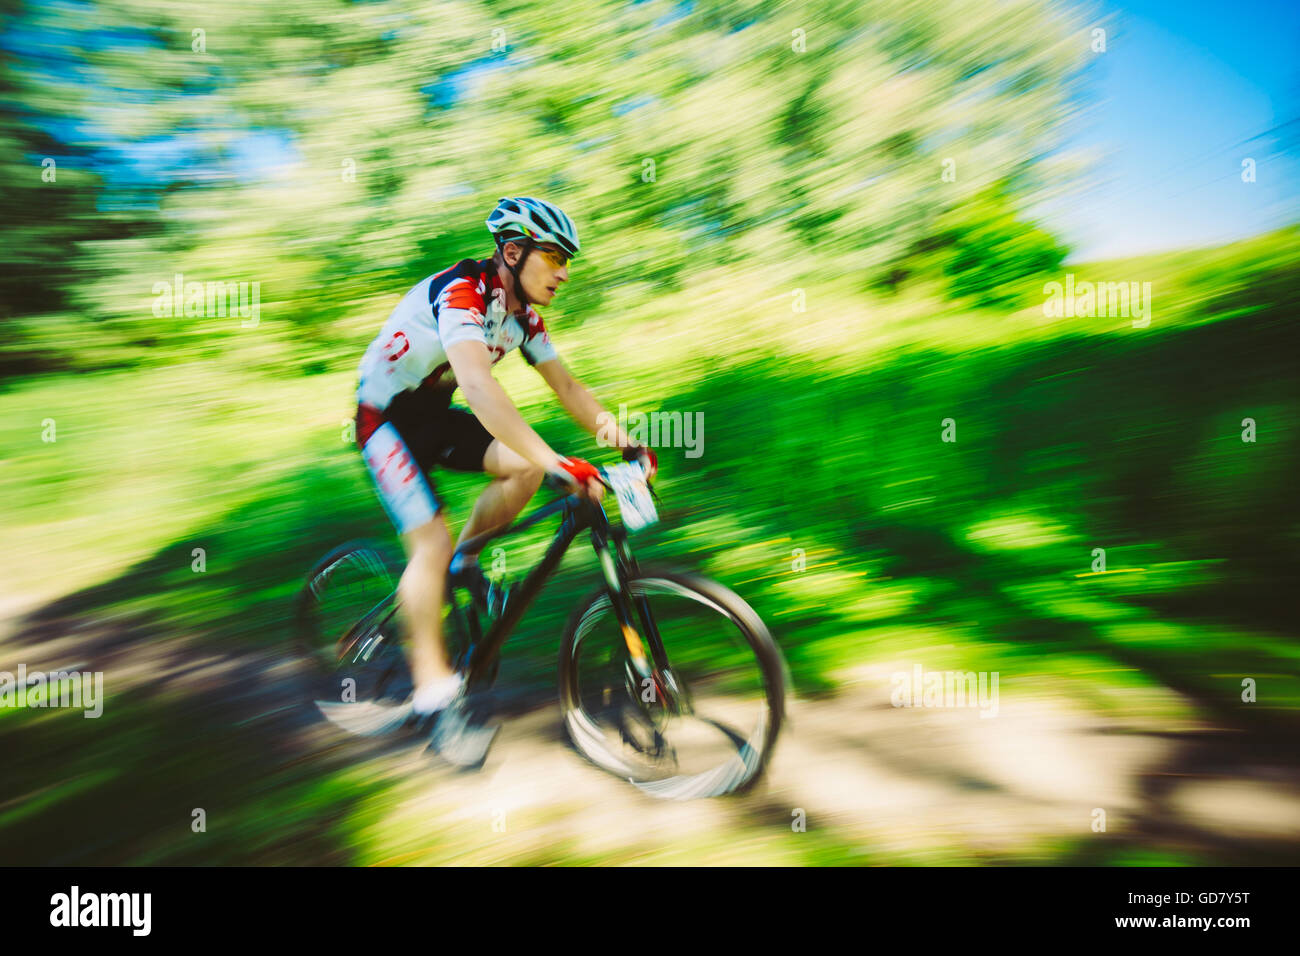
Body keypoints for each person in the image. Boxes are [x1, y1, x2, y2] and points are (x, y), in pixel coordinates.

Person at [337, 196, 657, 757]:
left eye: (567, 262)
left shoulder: (524, 319)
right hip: (383, 419)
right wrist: (562, 462)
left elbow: (570, 389)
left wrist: (627, 442)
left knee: (524, 472)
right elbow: (480, 388)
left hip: (433, 418)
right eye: (554, 258)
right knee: (429, 543)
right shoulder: (462, 293)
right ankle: (434, 695)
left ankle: (465, 563)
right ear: (513, 252)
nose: (563, 273)